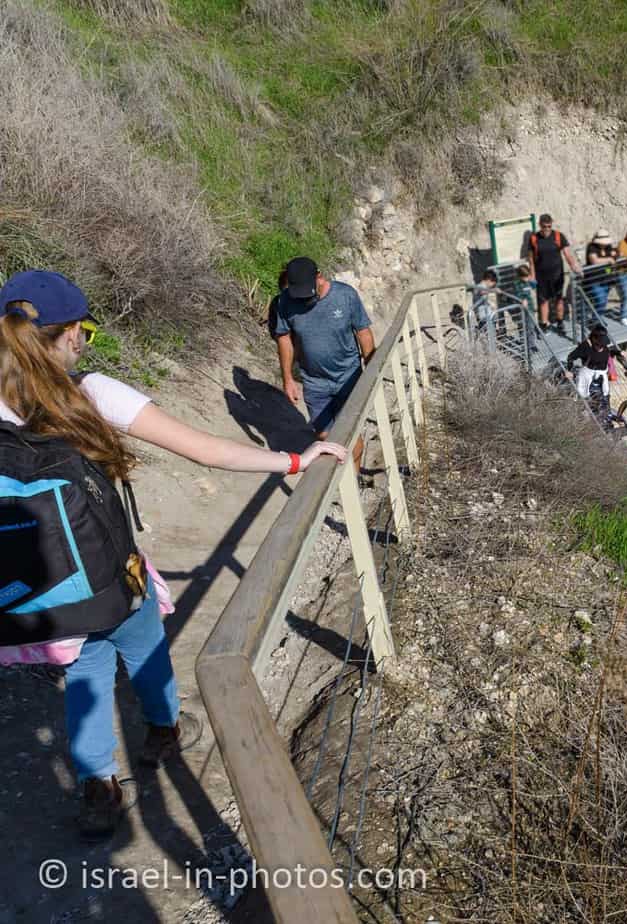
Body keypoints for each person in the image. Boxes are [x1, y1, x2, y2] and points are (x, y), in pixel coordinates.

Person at [0, 270, 348, 839]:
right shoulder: (90, 393)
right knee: (142, 643)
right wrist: (294, 461)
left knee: (85, 668)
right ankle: (163, 731)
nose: (84, 341)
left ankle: (98, 787)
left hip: (38, 592)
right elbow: (208, 451)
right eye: (83, 330)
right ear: (67, 335)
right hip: (109, 574)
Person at [273, 256, 374, 470]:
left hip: (348, 376)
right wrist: (288, 379)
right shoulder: (284, 301)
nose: (302, 300)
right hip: (314, 381)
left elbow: (363, 332)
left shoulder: (345, 296)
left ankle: (353, 484)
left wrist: (372, 368)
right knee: (324, 435)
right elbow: (284, 339)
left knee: (348, 433)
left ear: (319, 277)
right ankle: (346, 476)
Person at [521, 214, 580, 333]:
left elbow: (567, 254)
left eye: (549, 226)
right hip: (541, 277)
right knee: (543, 302)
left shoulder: (558, 236)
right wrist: (532, 275)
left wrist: (574, 266)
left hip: (557, 275)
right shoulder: (534, 239)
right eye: (544, 226)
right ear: (540, 225)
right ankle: (544, 325)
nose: (547, 229)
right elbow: (531, 260)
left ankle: (560, 322)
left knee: (559, 300)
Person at [564, 325, 626, 423]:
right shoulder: (586, 346)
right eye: (599, 344)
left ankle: (607, 413)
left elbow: (608, 352)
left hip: (602, 373)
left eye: (603, 345)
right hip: (588, 373)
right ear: (593, 338)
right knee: (585, 394)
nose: (601, 347)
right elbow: (571, 357)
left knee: (605, 394)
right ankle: (588, 414)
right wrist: (570, 371)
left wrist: (618, 353)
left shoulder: (603, 345)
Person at [582, 230, 618, 321]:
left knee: (603, 301)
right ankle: (596, 321)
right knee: (600, 300)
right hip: (594, 280)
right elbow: (594, 260)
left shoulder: (608, 247)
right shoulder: (592, 247)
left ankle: (598, 320)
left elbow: (615, 254)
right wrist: (609, 259)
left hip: (606, 279)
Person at [472, 269, 499, 342]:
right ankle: (491, 350)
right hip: (484, 316)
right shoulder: (480, 286)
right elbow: (481, 291)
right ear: (488, 280)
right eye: (492, 283)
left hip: (486, 316)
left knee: (489, 336)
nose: (492, 286)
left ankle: (491, 348)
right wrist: (494, 290)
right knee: (489, 336)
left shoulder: (483, 286)